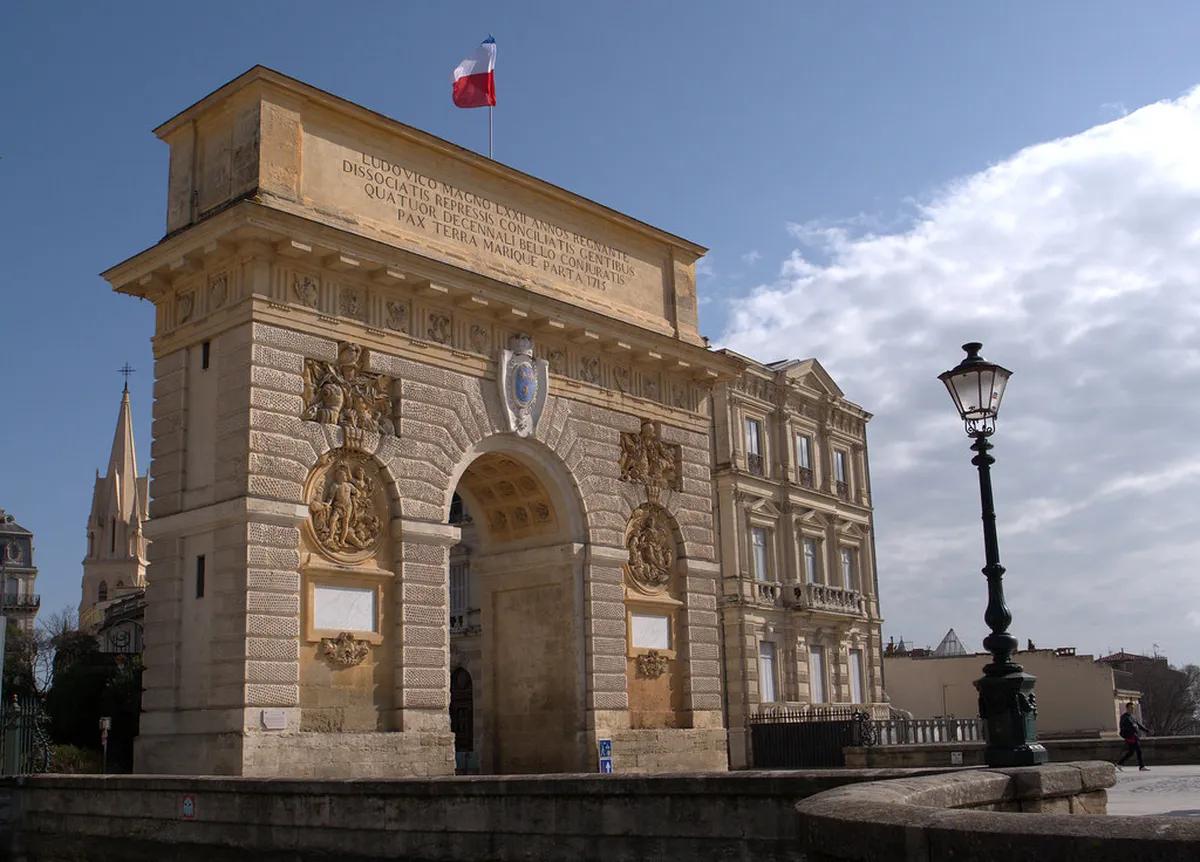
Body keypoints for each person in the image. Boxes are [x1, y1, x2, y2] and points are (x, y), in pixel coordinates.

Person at [1116, 702, 1151, 771]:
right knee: (1138, 751)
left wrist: (1146, 730)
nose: (1132, 709)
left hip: (1134, 736)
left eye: (1133, 708)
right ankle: (1141, 766)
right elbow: (1122, 727)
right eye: (1131, 708)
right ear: (1127, 708)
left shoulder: (1132, 716)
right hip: (1130, 737)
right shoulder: (1124, 717)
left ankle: (1119, 763)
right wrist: (1128, 733)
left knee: (1131, 752)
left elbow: (1138, 725)